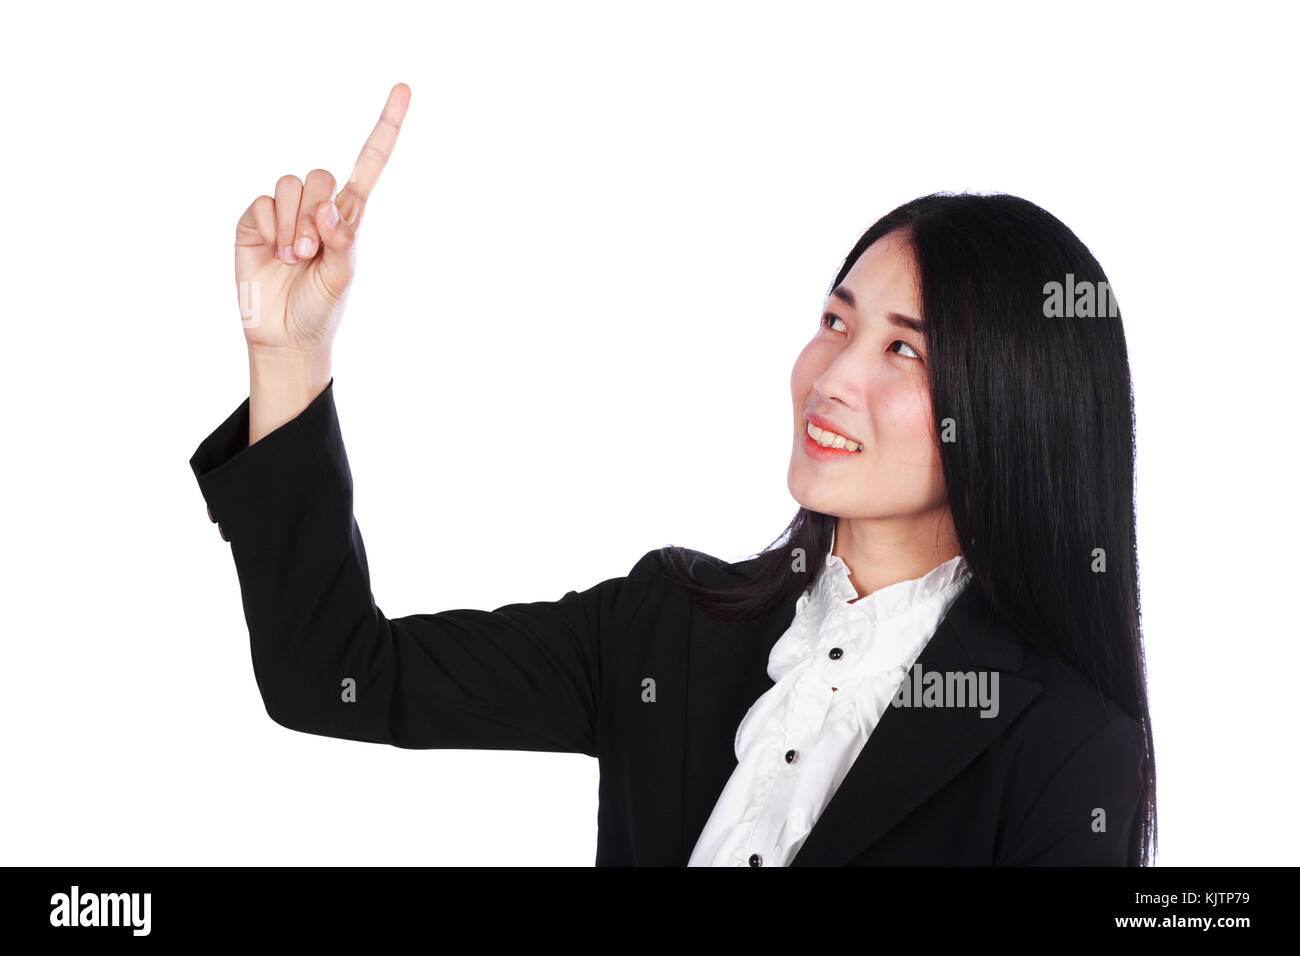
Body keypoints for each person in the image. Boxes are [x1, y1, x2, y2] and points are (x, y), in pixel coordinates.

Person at [191, 83, 1156, 866]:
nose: (832, 378)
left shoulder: (1064, 747)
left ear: (1012, 408)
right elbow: (336, 676)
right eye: (834, 322)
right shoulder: (672, 625)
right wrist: (289, 355)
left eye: (905, 352)